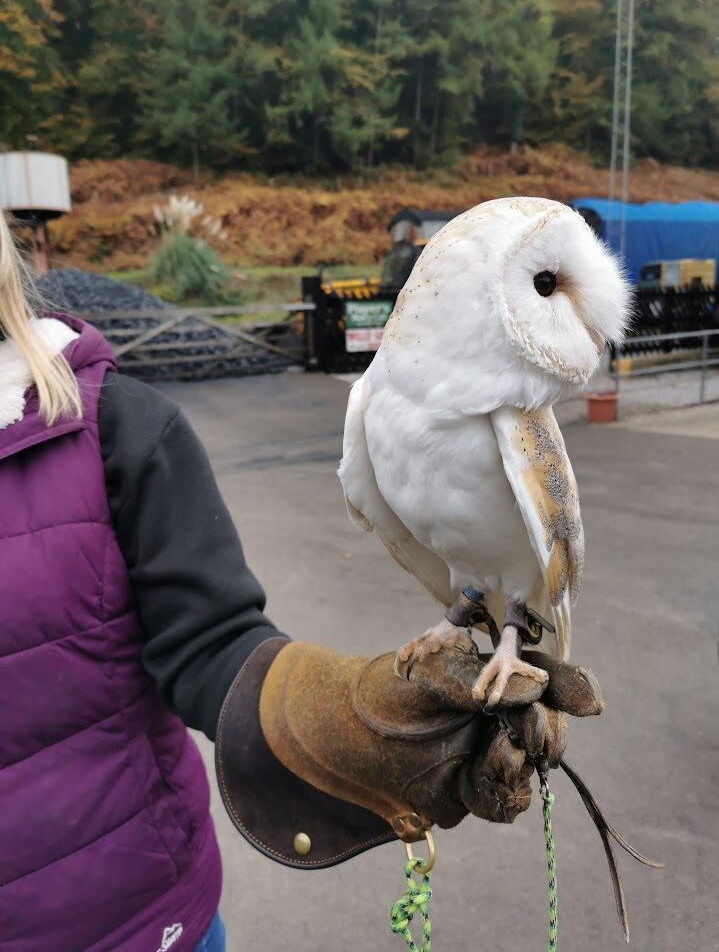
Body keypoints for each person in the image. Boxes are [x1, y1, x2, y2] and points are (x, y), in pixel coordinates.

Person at [0, 211, 603, 952]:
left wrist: (343, 718)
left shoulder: (107, 425)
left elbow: (203, 641)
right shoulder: (374, 407)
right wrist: (458, 610)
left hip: (137, 921)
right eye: (551, 287)